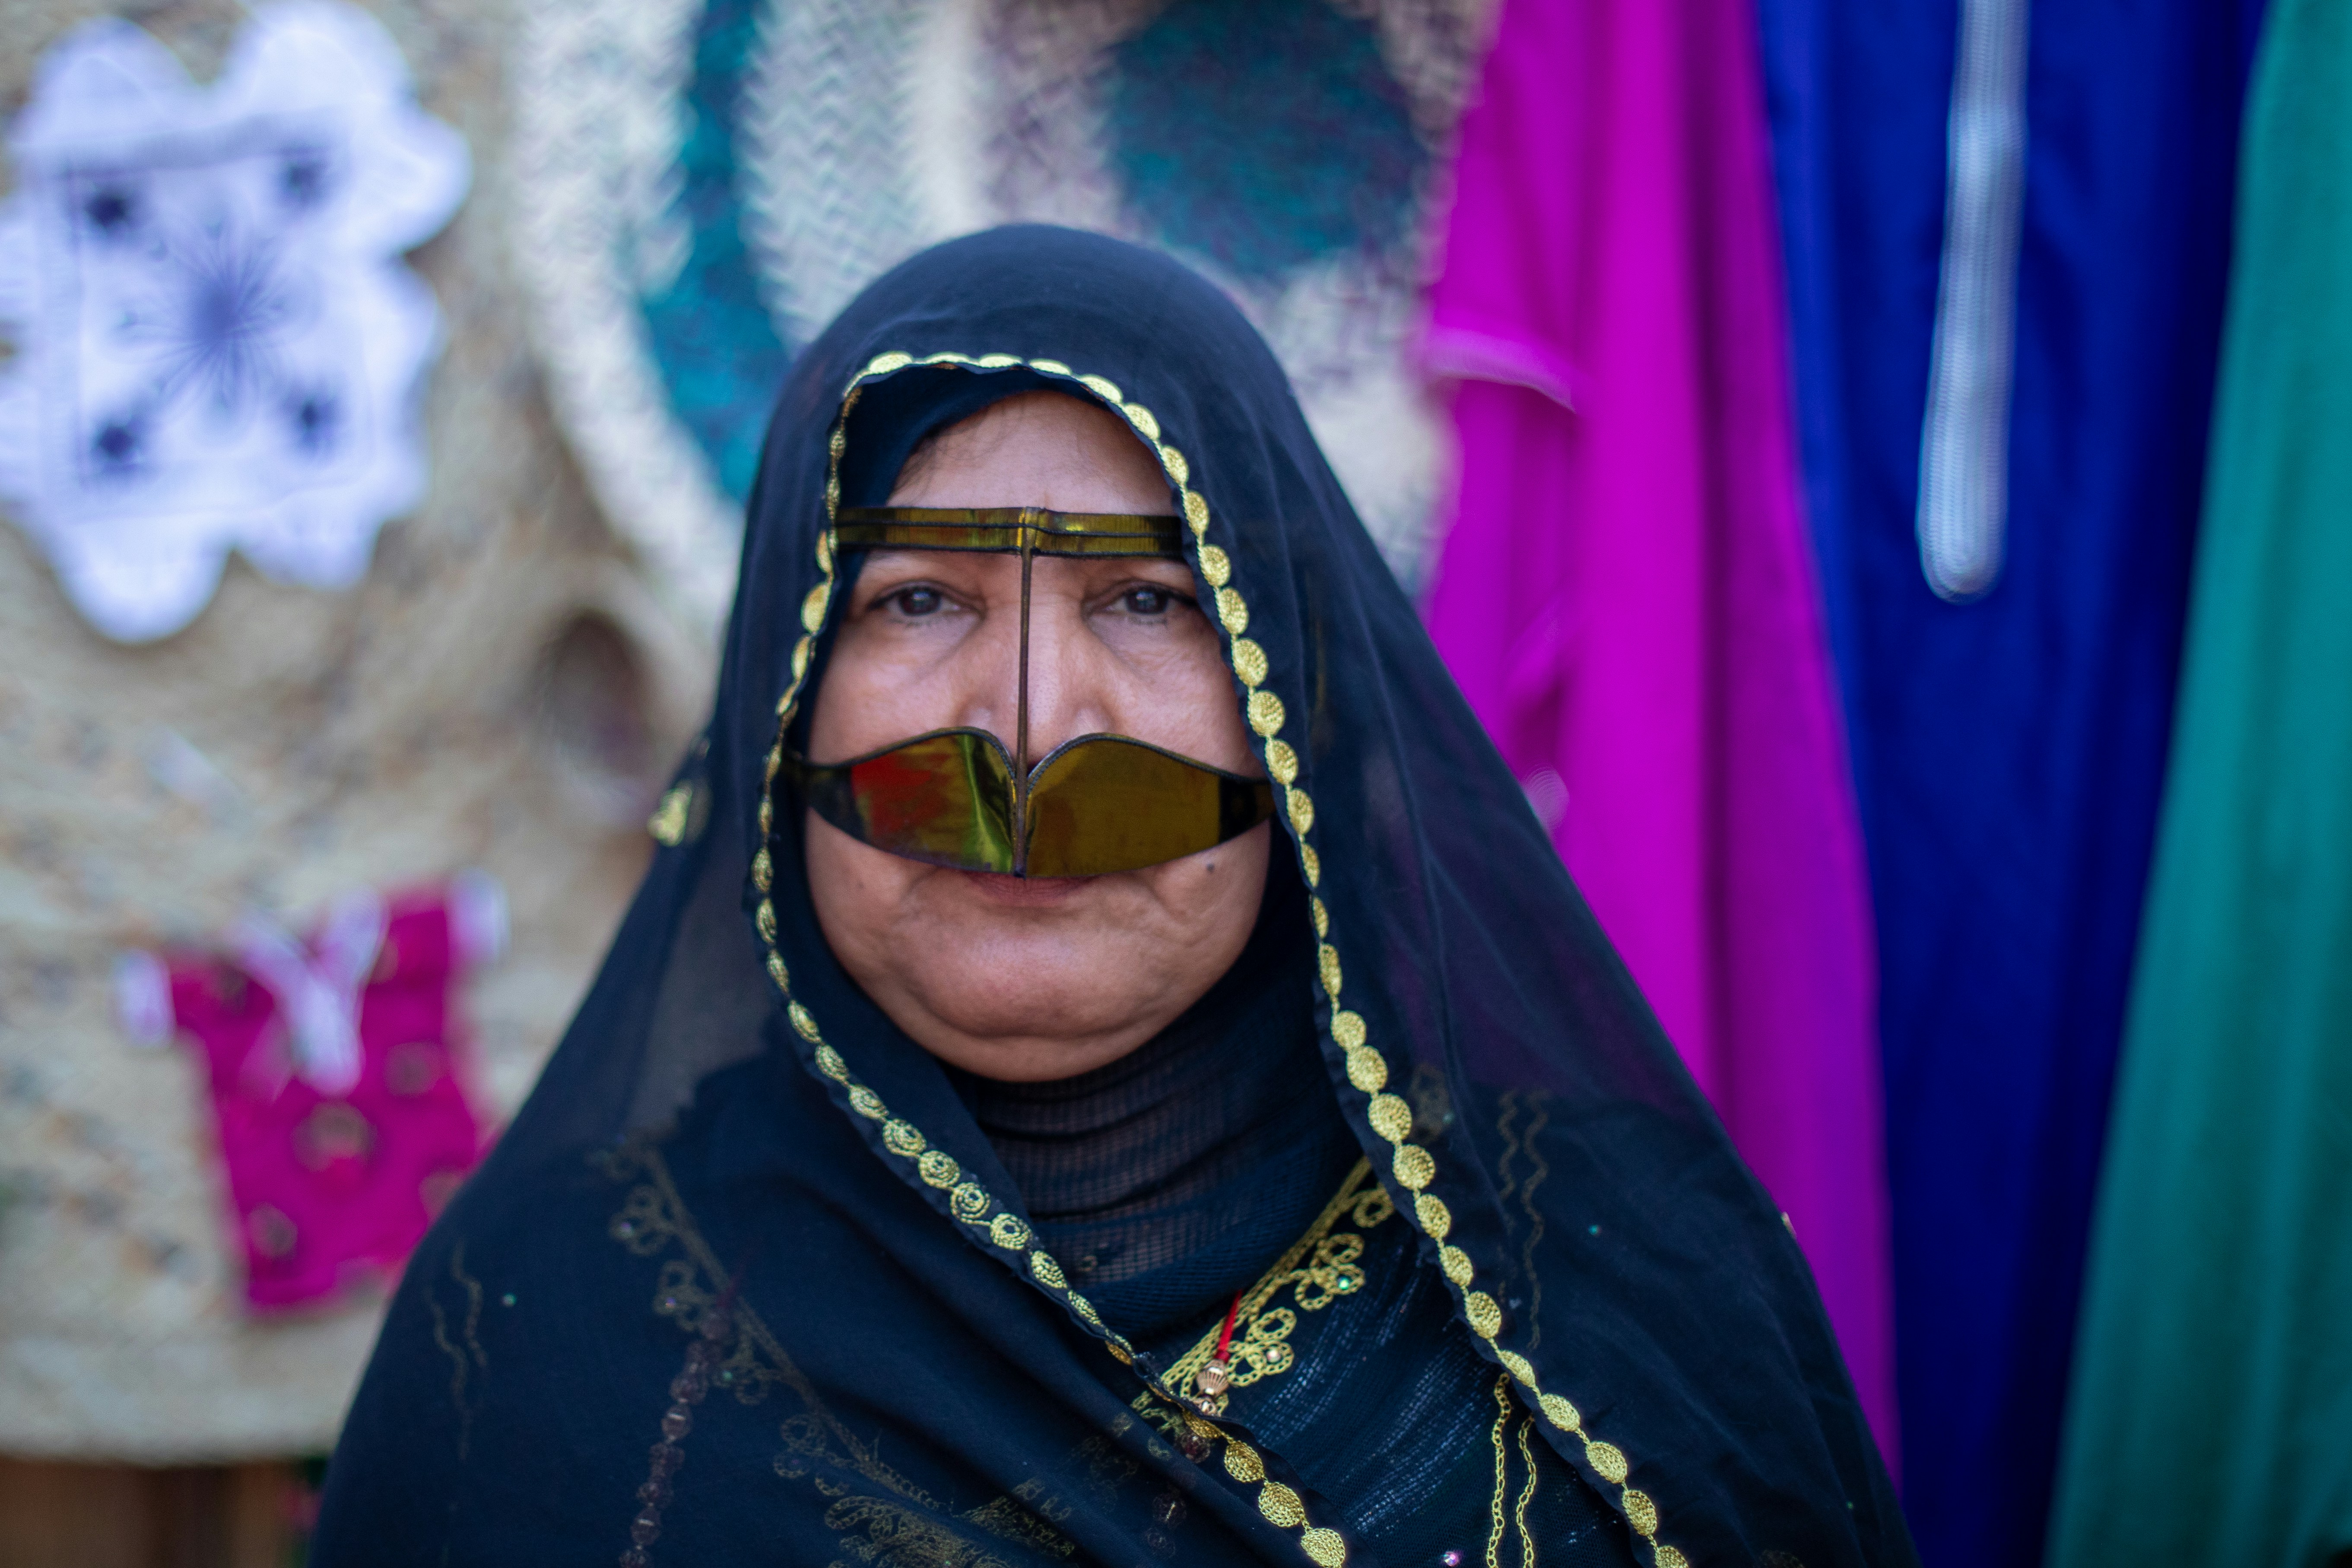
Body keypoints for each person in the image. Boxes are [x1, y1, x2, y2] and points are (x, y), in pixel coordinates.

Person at [311, 226, 1911, 1567]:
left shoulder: (1615, 1280)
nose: (1027, 730)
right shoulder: (547, 1331)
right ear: (779, 702)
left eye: (1147, 598)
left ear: (1298, 709)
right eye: (920, 595)